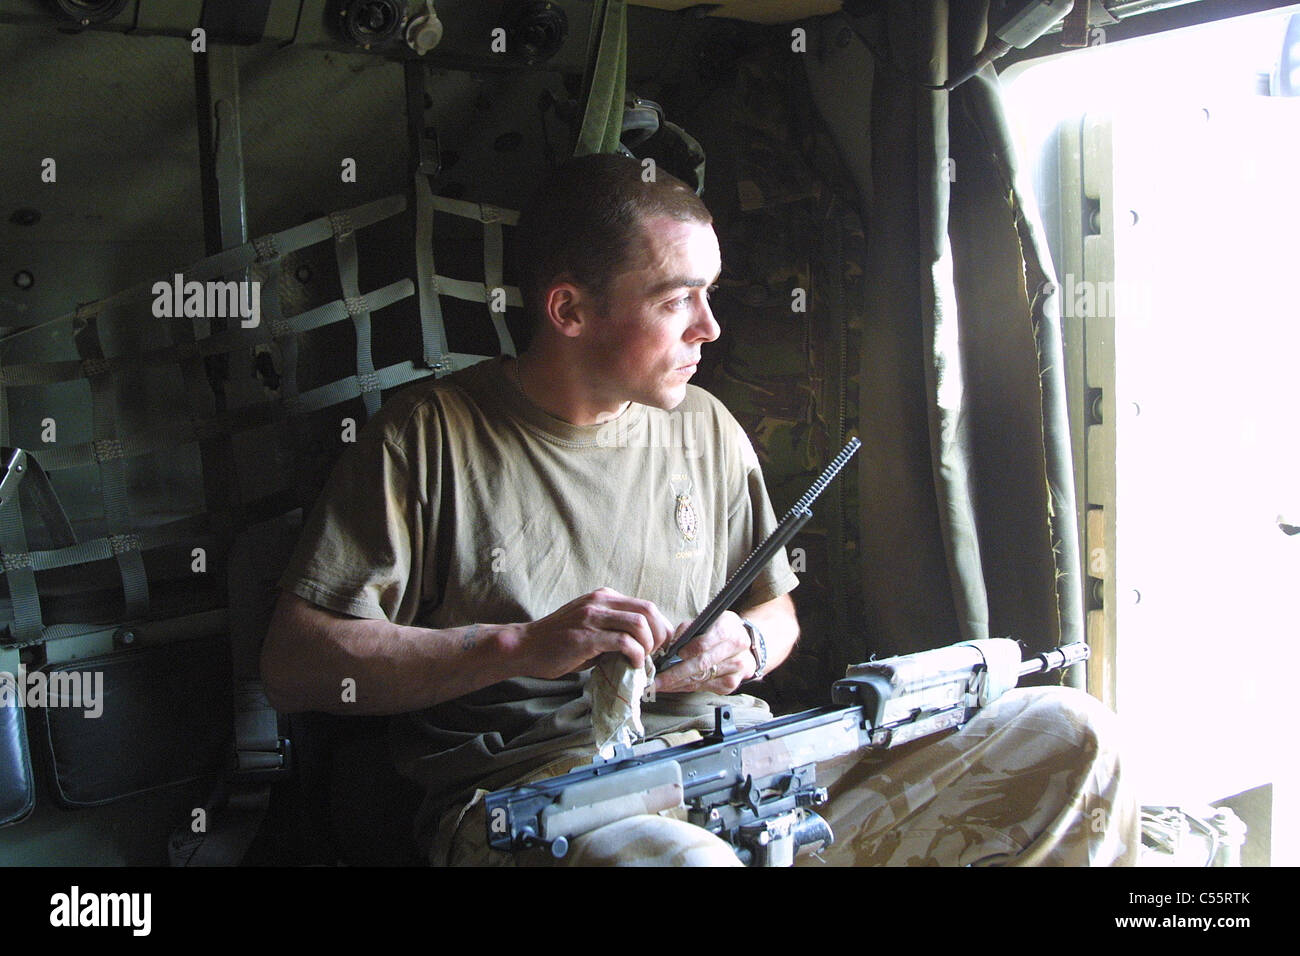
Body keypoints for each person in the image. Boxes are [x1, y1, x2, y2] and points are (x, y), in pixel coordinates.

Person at [260, 154, 1136, 866]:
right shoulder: (428, 440)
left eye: (710, 294)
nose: (710, 328)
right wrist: (517, 647)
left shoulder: (706, 428)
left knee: (1071, 732)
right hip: (551, 802)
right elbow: (299, 666)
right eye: (677, 298)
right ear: (569, 309)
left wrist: (748, 645)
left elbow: (774, 607)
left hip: (744, 765)